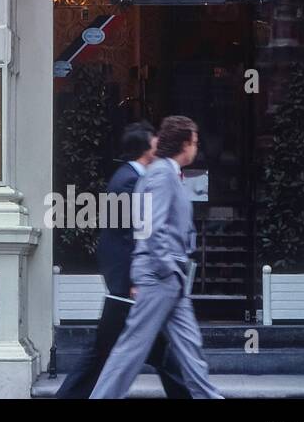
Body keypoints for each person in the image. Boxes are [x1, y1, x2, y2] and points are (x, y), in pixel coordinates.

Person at [90, 115, 223, 399]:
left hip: (171, 278)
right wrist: (167, 268)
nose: (197, 148)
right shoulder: (162, 174)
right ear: (184, 144)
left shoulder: (166, 172)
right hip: (159, 276)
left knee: (190, 348)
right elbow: (154, 226)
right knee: (132, 350)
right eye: (195, 142)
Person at [57, 121, 192, 399]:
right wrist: (133, 281)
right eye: (155, 140)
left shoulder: (133, 177)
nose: (160, 144)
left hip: (133, 284)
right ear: (145, 147)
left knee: (143, 351)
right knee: (112, 351)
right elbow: (128, 236)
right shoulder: (128, 181)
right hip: (129, 285)